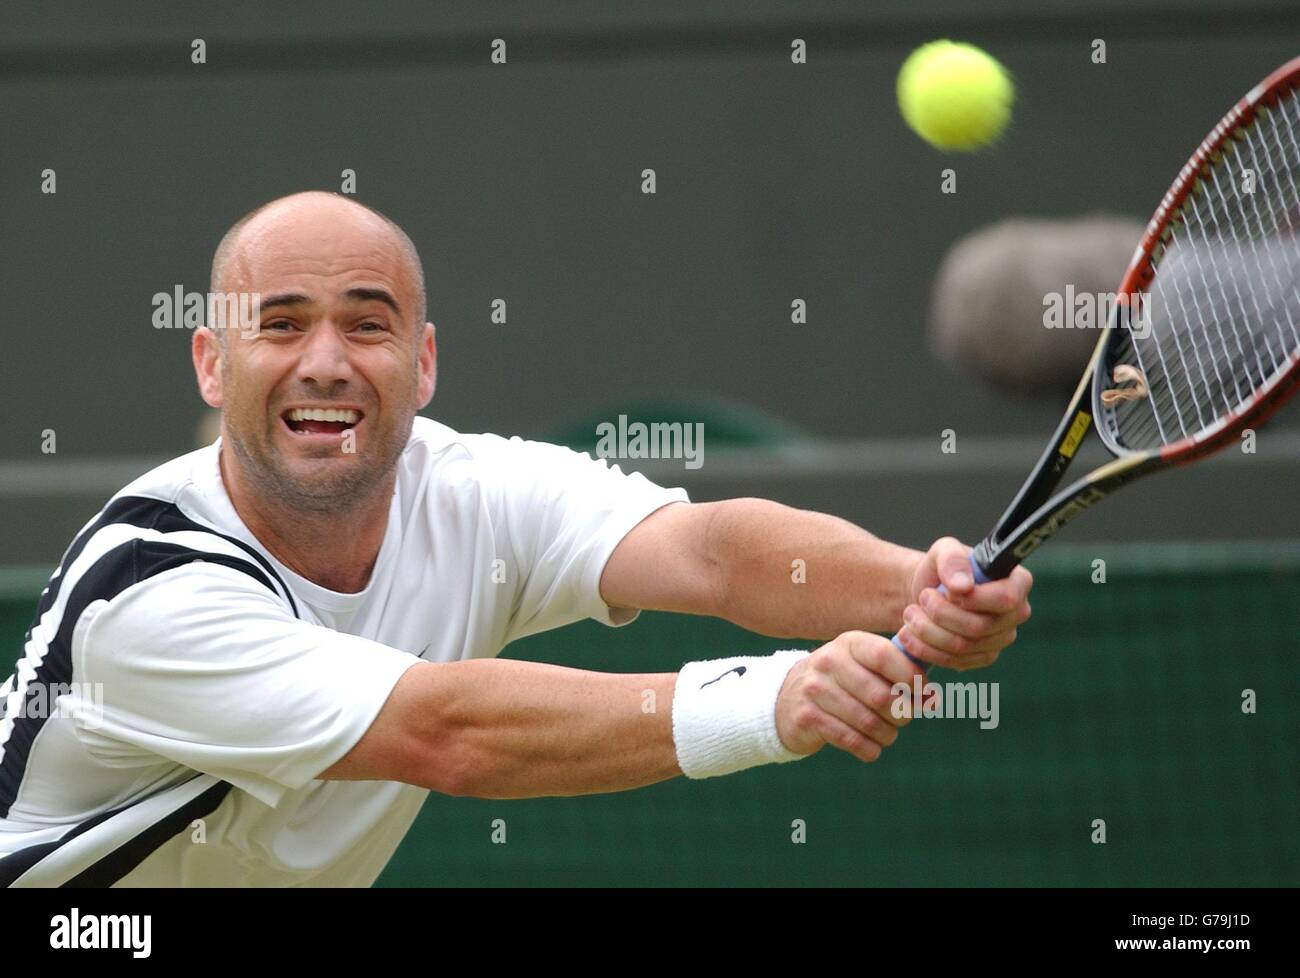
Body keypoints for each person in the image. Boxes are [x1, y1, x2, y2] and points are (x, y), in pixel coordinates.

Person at [0, 192, 1032, 887]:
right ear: (212, 365)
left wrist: (914, 585)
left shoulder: (469, 490)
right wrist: (780, 698)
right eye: (279, 325)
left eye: (367, 325)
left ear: (424, 361)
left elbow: (709, 551)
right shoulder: (142, 594)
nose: (326, 362)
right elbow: (448, 734)